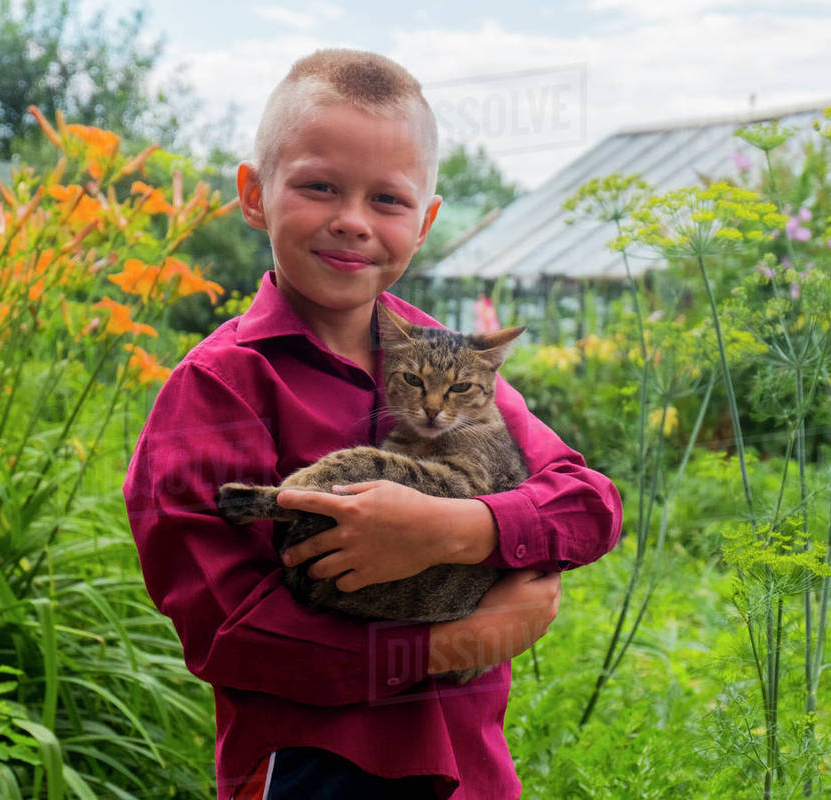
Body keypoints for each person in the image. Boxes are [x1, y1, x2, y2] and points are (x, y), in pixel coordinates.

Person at [123, 49, 622, 800]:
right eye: (320, 187)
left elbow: (590, 505)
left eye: (387, 200)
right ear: (255, 195)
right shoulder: (217, 390)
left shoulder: (450, 364)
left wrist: (458, 530)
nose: (352, 222)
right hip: (317, 773)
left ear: (423, 222)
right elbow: (232, 635)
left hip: (475, 776)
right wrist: (452, 644)